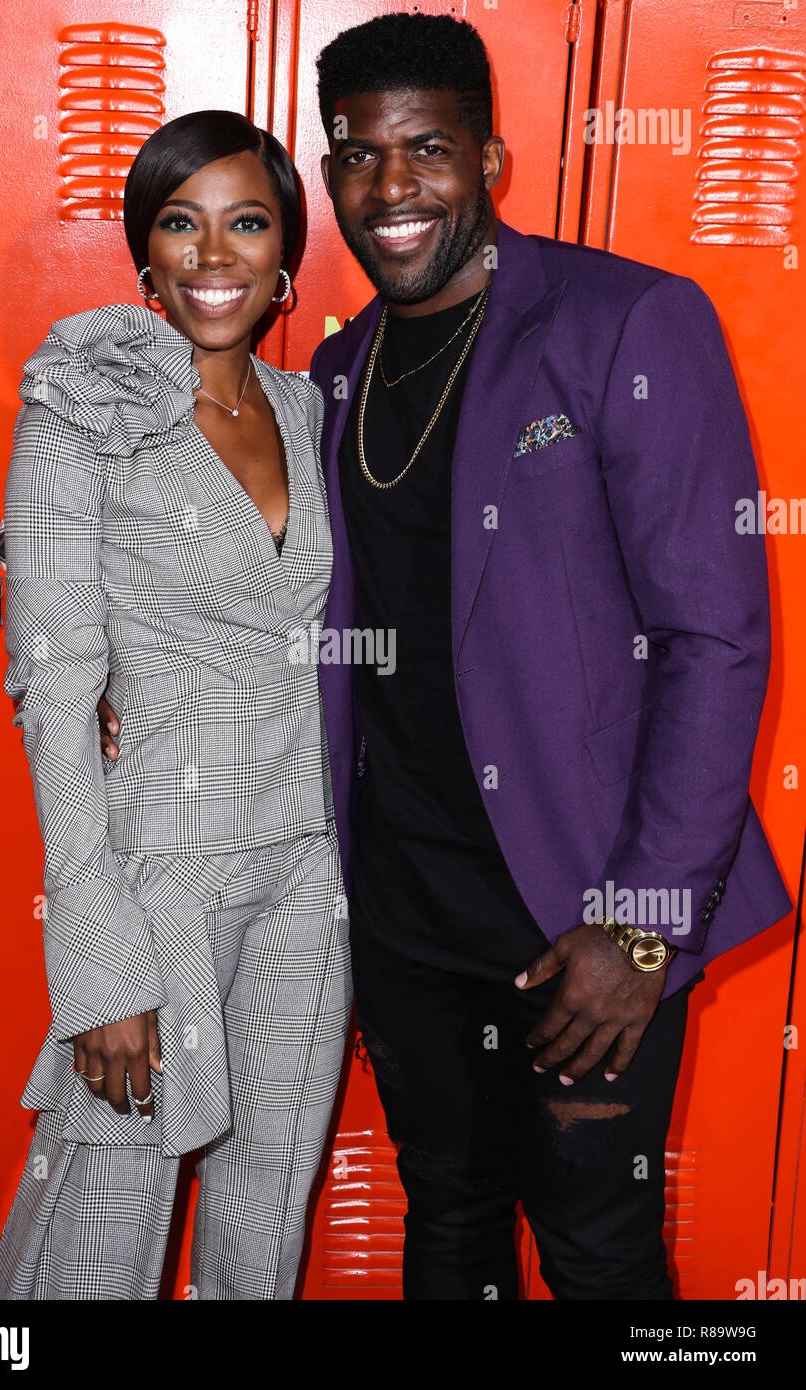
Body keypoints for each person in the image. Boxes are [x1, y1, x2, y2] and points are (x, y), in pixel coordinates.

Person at [300, 11, 792, 1300]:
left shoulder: (624, 321)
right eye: (356, 154)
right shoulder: (339, 370)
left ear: (492, 159)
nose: (390, 187)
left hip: (579, 908)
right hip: (406, 915)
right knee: (448, 1223)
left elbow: (713, 634)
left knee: (598, 1251)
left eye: (427, 149)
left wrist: (638, 930)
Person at [0, 110, 351, 1301]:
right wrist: (97, 967)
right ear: (145, 253)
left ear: (285, 252)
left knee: (267, 1210)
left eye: (245, 223)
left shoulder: (311, 412)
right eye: (180, 225)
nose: (212, 256)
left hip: (311, 867)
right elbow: (55, 686)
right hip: (162, 873)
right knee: (102, 1222)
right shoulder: (80, 407)